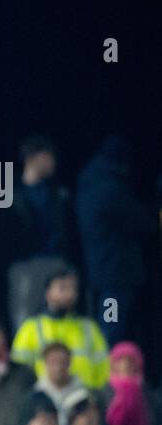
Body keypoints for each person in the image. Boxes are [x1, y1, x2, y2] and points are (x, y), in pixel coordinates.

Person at [75, 136, 148, 346]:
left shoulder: (89, 184)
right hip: (114, 275)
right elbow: (141, 221)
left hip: (102, 272)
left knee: (109, 327)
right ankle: (106, 377)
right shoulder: (108, 188)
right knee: (110, 330)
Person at [7, 135, 71, 330]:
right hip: (26, 265)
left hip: (56, 262)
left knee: (59, 319)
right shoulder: (12, 194)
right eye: (49, 156)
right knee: (25, 319)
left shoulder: (59, 193)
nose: (54, 162)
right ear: (35, 157)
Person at [11, 268, 110, 389]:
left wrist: (97, 397)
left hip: (85, 400)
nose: (69, 294)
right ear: (48, 293)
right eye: (62, 288)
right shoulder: (30, 328)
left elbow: (105, 367)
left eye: (73, 288)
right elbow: (19, 371)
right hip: (44, 399)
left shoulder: (89, 327)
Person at [34, 342, 90, 425]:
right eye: (53, 362)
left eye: (62, 362)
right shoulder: (37, 393)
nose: (58, 367)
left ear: (70, 362)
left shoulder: (83, 392)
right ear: (45, 363)